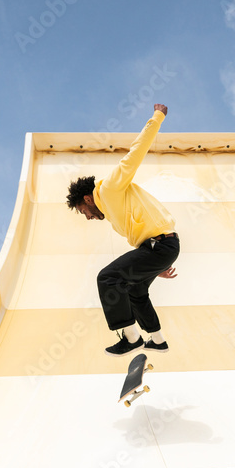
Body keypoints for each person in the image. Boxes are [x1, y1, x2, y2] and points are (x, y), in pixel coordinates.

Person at [66, 103, 179, 357]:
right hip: (158, 248)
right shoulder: (114, 214)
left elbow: (136, 153)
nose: (88, 218)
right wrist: (153, 268)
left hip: (160, 245)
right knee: (136, 291)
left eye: (84, 212)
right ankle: (158, 341)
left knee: (107, 278)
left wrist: (157, 117)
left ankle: (132, 338)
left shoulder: (109, 189)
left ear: (87, 199)